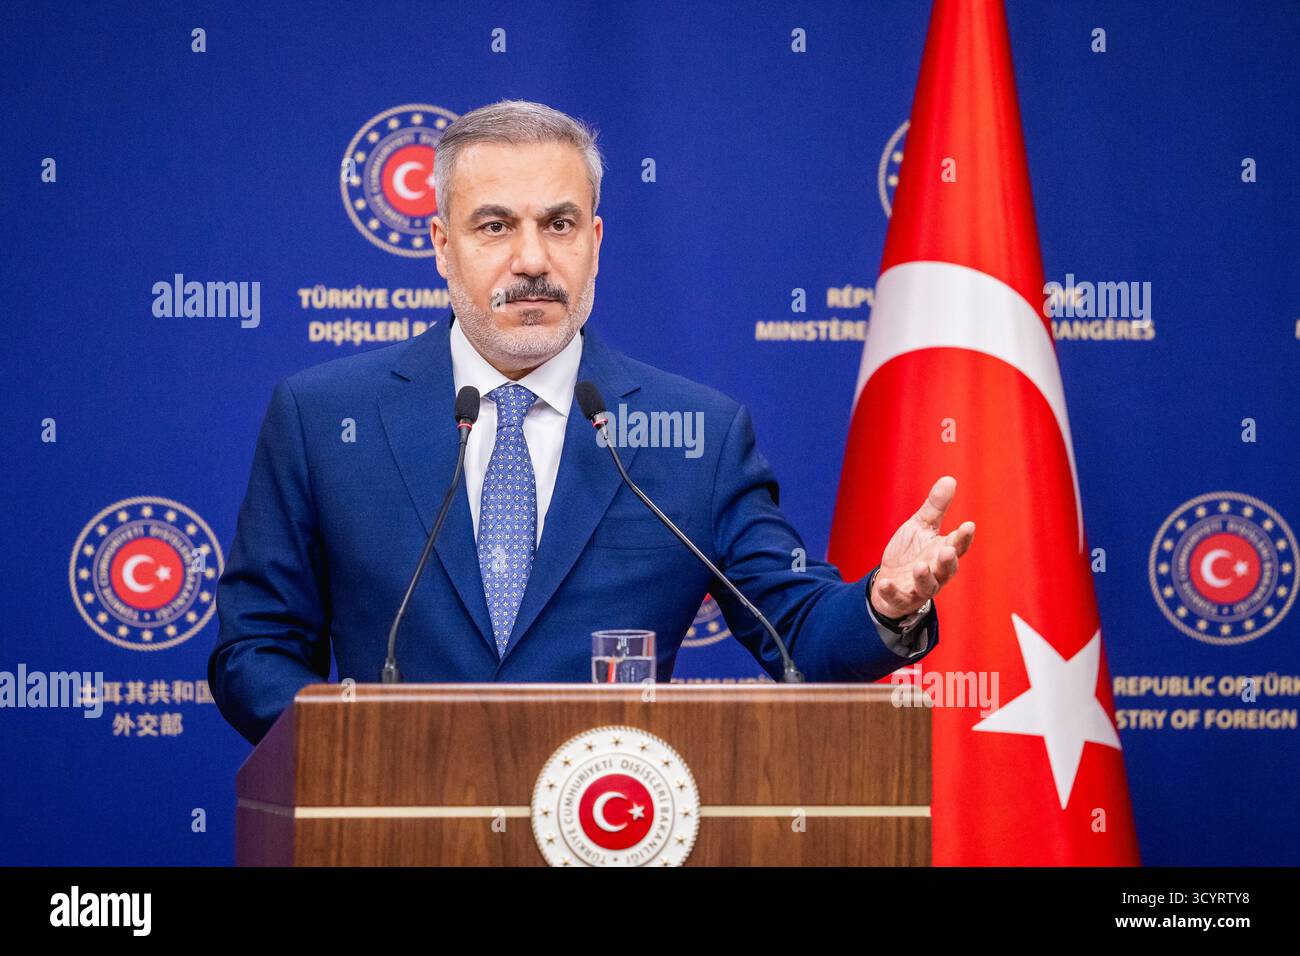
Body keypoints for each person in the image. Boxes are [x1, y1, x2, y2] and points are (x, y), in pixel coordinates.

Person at [209, 100, 975, 745]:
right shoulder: (323, 417)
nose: (533, 259)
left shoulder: (697, 436)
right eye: (495, 226)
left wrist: (883, 603)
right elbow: (256, 652)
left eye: (561, 224)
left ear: (596, 243)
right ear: (442, 247)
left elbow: (798, 637)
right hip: (389, 830)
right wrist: (365, 746)